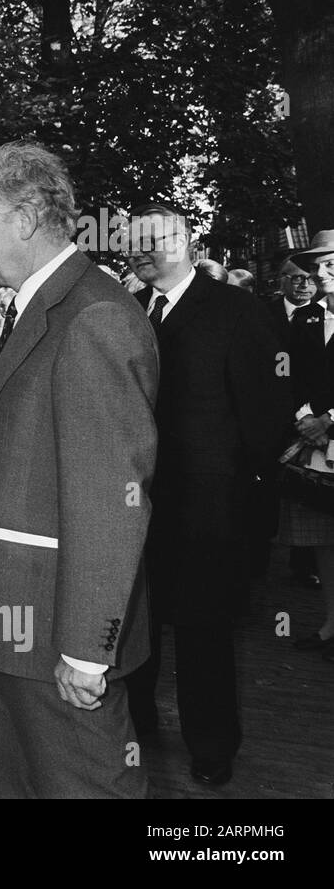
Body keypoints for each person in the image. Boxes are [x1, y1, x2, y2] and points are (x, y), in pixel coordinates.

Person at [0, 140, 157, 798]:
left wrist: (87, 650)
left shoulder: (94, 317)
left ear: (25, 218)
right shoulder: (39, 308)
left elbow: (112, 498)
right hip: (13, 623)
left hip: (55, 638)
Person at [124, 203, 289, 787]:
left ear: (188, 241)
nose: (140, 251)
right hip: (133, 503)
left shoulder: (236, 310)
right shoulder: (125, 310)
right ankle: (137, 726)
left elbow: (266, 414)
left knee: (203, 631)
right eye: (131, 242)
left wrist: (235, 487)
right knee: (135, 622)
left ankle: (212, 746)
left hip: (208, 510)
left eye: (153, 239)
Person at [280, 230, 334, 664]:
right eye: (318, 264)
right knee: (323, 541)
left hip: (324, 434)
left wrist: (328, 419)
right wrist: (304, 418)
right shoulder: (306, 319)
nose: (321, 271)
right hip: (314, 452)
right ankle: (331, 623)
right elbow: (288, 374)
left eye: (331, 263)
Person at [267, 255, 322, 588]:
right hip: (271, 412)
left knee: (308, 489)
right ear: (282, 281)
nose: (304, 284)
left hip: (310, 417)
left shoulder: (323, 316)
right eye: (297, 278)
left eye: (309, 278)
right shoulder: (263, 313)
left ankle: (305, 564)